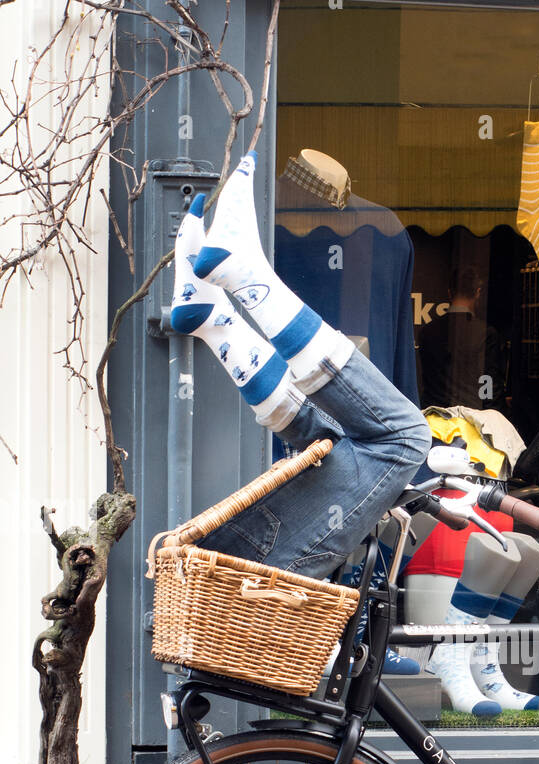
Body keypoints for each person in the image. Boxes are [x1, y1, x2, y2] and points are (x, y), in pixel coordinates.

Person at [169, 154, 431, 579]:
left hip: (246, 574)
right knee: (404, 436)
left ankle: (219, 320)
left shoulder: (382, 229)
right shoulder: (382, 228)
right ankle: (245, 285)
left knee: (345, 441)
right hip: (256, 575)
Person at [417, 266, 507, 410]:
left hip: (435, 421)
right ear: (478, 293)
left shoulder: (427, 332)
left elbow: (425, 382)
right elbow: (489, 384)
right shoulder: (486, 334)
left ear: (449, 293)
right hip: (471, 420)